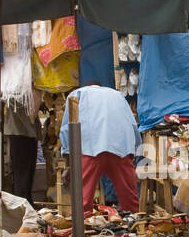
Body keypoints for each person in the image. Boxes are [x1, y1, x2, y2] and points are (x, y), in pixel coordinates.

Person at [59, 82, 140, 212]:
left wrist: (69, 163)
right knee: (130, 200)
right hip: (121, 148)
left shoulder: (77, 94)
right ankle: (136, 227)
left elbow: (66, 128)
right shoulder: (118, 95)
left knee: (82, 202)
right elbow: (132, 125)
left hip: (90, 149)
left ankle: (83, 228)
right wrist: (135, 150)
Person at [4, 97, 40, 205]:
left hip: (28, 132)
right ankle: (22, 205)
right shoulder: (13, 90)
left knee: (27, 172)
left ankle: (27, 203)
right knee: (22, 173)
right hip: (19, 131)